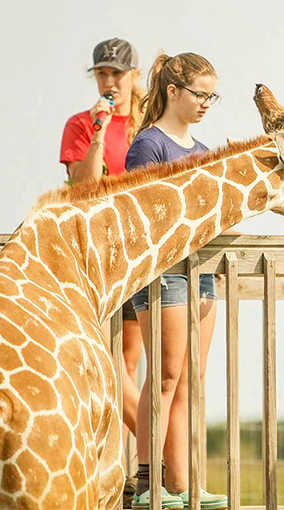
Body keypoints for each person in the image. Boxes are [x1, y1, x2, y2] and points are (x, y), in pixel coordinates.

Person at [125, 52, 228, 510]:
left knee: (191, 379)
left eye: (212, 96)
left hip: (201, 274)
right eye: (200, 94)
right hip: (163, 275)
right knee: (165, 376)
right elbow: (143, 213)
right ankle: (149, 480)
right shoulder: (149, 145)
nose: (207, 103)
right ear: (173, 92)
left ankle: (183, 483)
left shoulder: (203, 152)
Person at [58, 37, 144, 506]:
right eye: (102, 74)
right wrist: (97, 132)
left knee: (127, 365)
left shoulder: (149, 126)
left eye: (117, 73)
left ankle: (132, 469)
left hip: (140, 253)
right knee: (108, 366)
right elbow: (83, 186)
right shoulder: (80, 124)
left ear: (134, 76)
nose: (109, 82)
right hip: (95, 255)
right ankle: (161, 459)